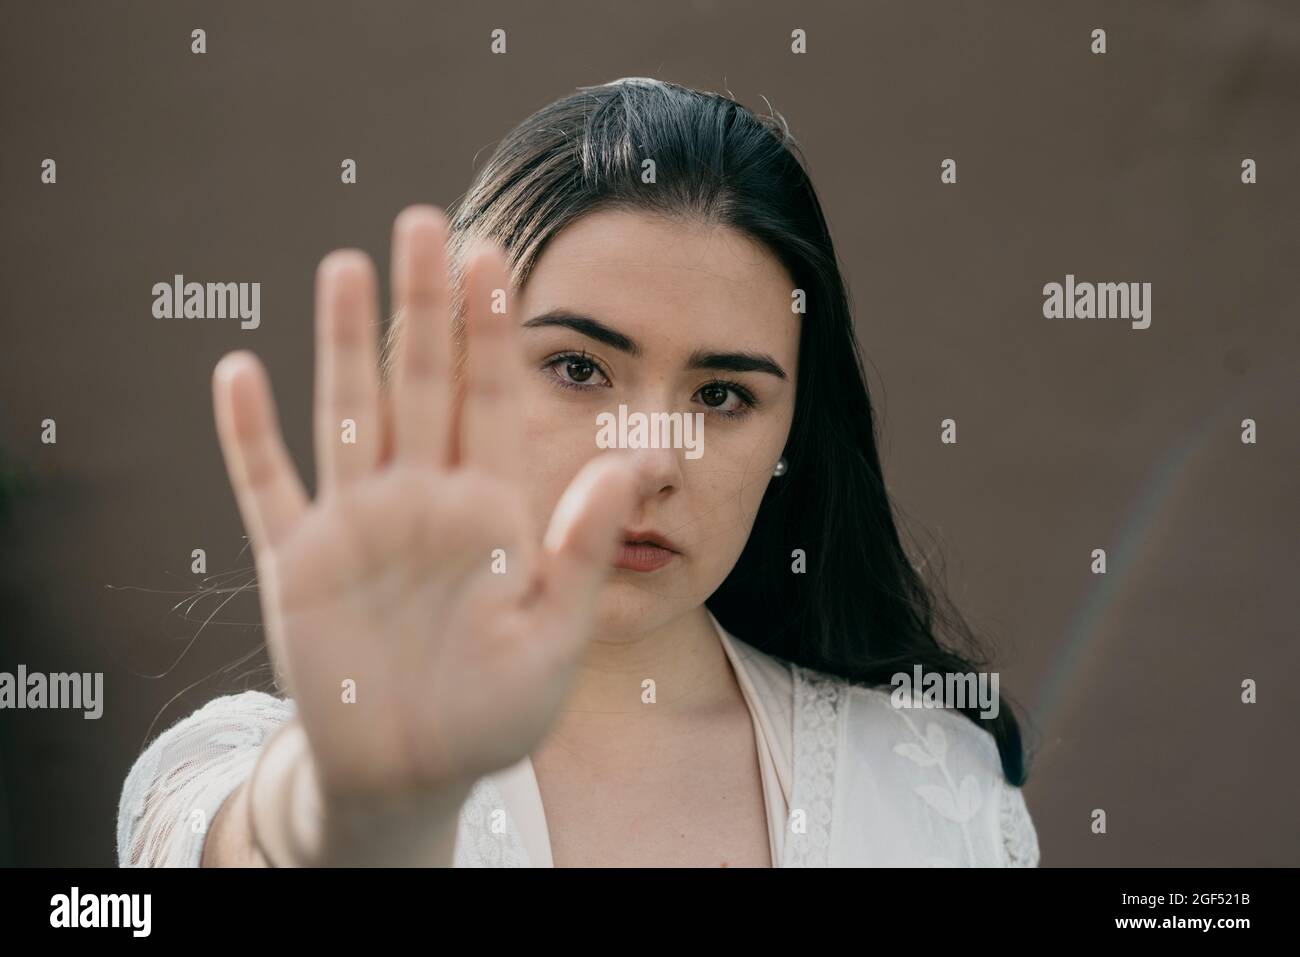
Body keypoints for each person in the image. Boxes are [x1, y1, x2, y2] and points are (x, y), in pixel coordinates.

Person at [116, 77, 1040, 868]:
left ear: (793, 437)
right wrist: (336, 818)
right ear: (463, 371)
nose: (646, 463)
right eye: (579, 368)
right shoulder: (245, 768)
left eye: (722, 396)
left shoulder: (939, 793)